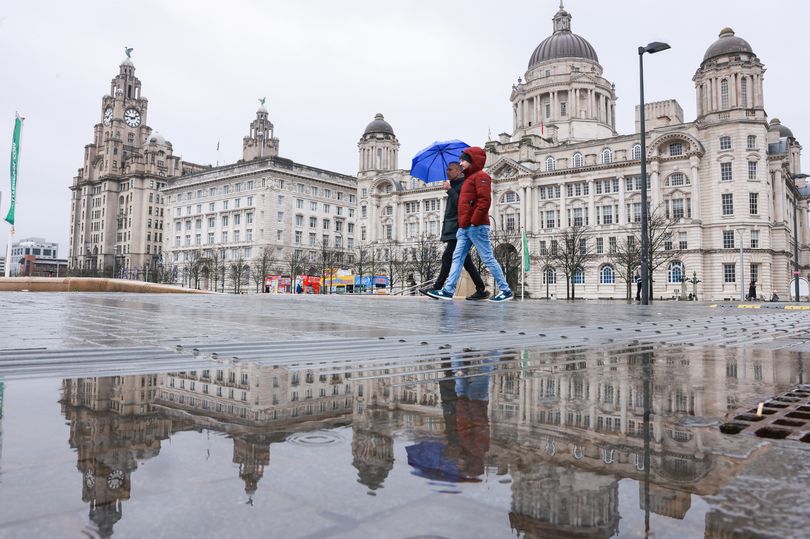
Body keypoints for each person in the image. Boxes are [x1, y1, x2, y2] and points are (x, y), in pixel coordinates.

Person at [426, 147, 513, 302]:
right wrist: (464, 224)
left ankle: (505, 290)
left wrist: (473, 222)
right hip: (464, 227)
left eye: (463, 160)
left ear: (472, 161)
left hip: (476, 226)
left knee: (487, 258)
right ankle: (447, 290)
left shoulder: (481, 176)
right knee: (457, 257)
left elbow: (484, 201)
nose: (461, 163)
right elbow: (464, 202)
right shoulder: (469, 179)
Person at [420, 161, 488, 300]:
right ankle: (480, 289)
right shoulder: (455, 185)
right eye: (447, 169)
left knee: (447, 257)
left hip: (459, 227)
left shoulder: (464, 185)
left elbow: (462, 205)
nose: (447, 172)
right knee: (466, 261)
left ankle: (437, 287)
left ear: (458, 171)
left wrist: (450, 190)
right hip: (453, 227)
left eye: (450, 169)